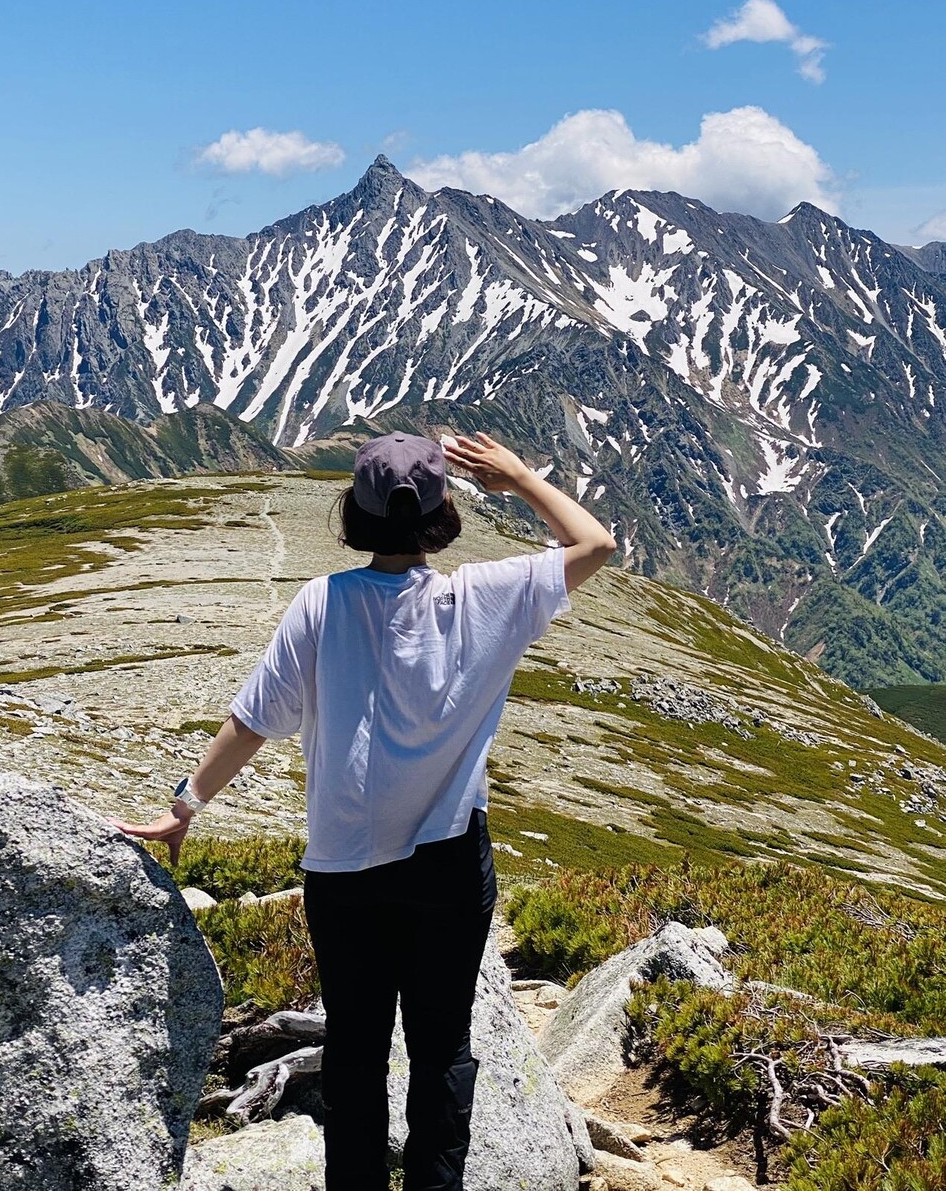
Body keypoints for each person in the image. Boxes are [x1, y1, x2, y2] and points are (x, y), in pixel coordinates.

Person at [115, 431, 616, 1191]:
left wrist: (185, 805)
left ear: (354, 512)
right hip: (448, 861)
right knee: (443, 1046)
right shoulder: (485, 596)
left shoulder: (322, 602)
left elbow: (252, 720)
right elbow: (596, 542)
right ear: (442, 513)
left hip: (343, 865)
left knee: (355, 1046)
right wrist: (516, 477)